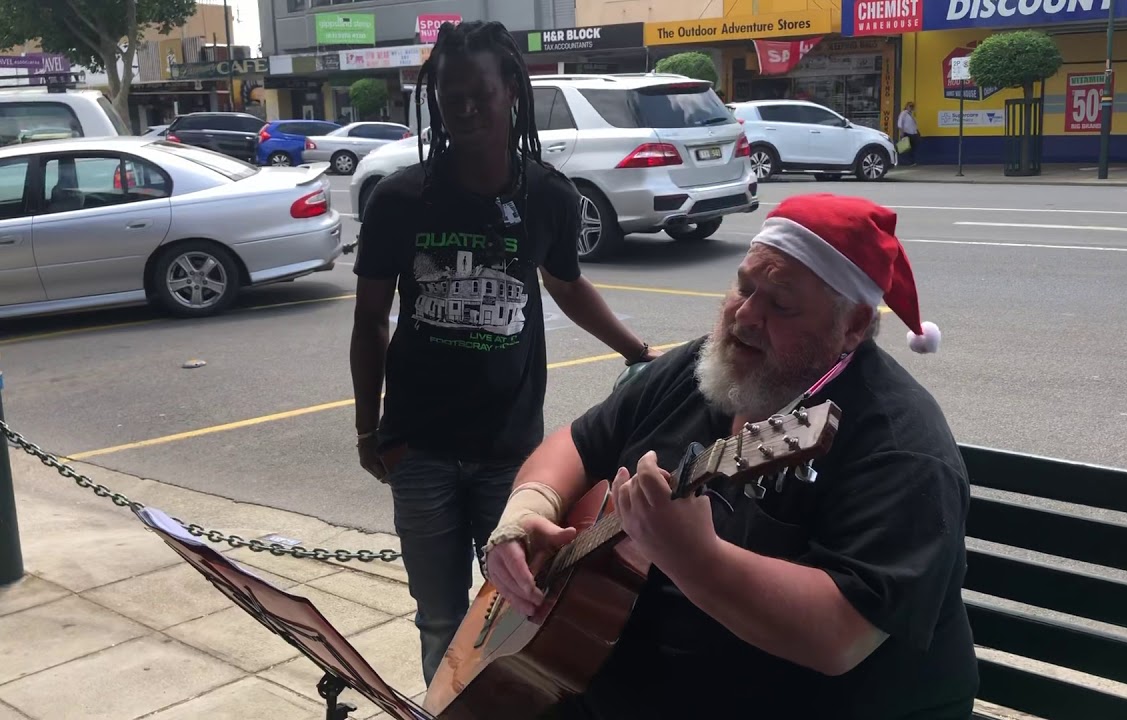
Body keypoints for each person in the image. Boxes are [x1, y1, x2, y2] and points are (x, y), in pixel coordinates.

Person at [484, 193, 978, 719]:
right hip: (603, 672)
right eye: (744, 286)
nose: (745, 316)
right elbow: (580, 441)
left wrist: (696, 558)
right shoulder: (704, 369)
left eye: (780, 304)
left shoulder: (901, 446)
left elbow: (840, 636)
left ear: (853, 326)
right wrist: (526, 510)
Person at [348, 19, 659, 687]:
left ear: (512, 90)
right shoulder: (402, 200)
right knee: (438, 617)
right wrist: (368, 429)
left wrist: (637, 350)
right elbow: (370, 319)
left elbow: (566, 283)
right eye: (449, 96)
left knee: (512, 607)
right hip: (419, 450)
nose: (463, 110)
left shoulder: (547, 195)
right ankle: (445, 706)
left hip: (509, 454)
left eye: (478, 94)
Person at [898, 101, 921, 165]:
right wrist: (901, 132)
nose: (911, 107)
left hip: (913, 133)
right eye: (910, 106)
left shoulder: (911, 114)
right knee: (906, 148)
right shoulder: (903, 113)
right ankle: (907, 162)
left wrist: (917, 131)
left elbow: (913, 124)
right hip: (907, 132)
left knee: (913, 147)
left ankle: (912, 161)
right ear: (907, 106)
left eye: (912, 106)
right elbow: (900, 123)